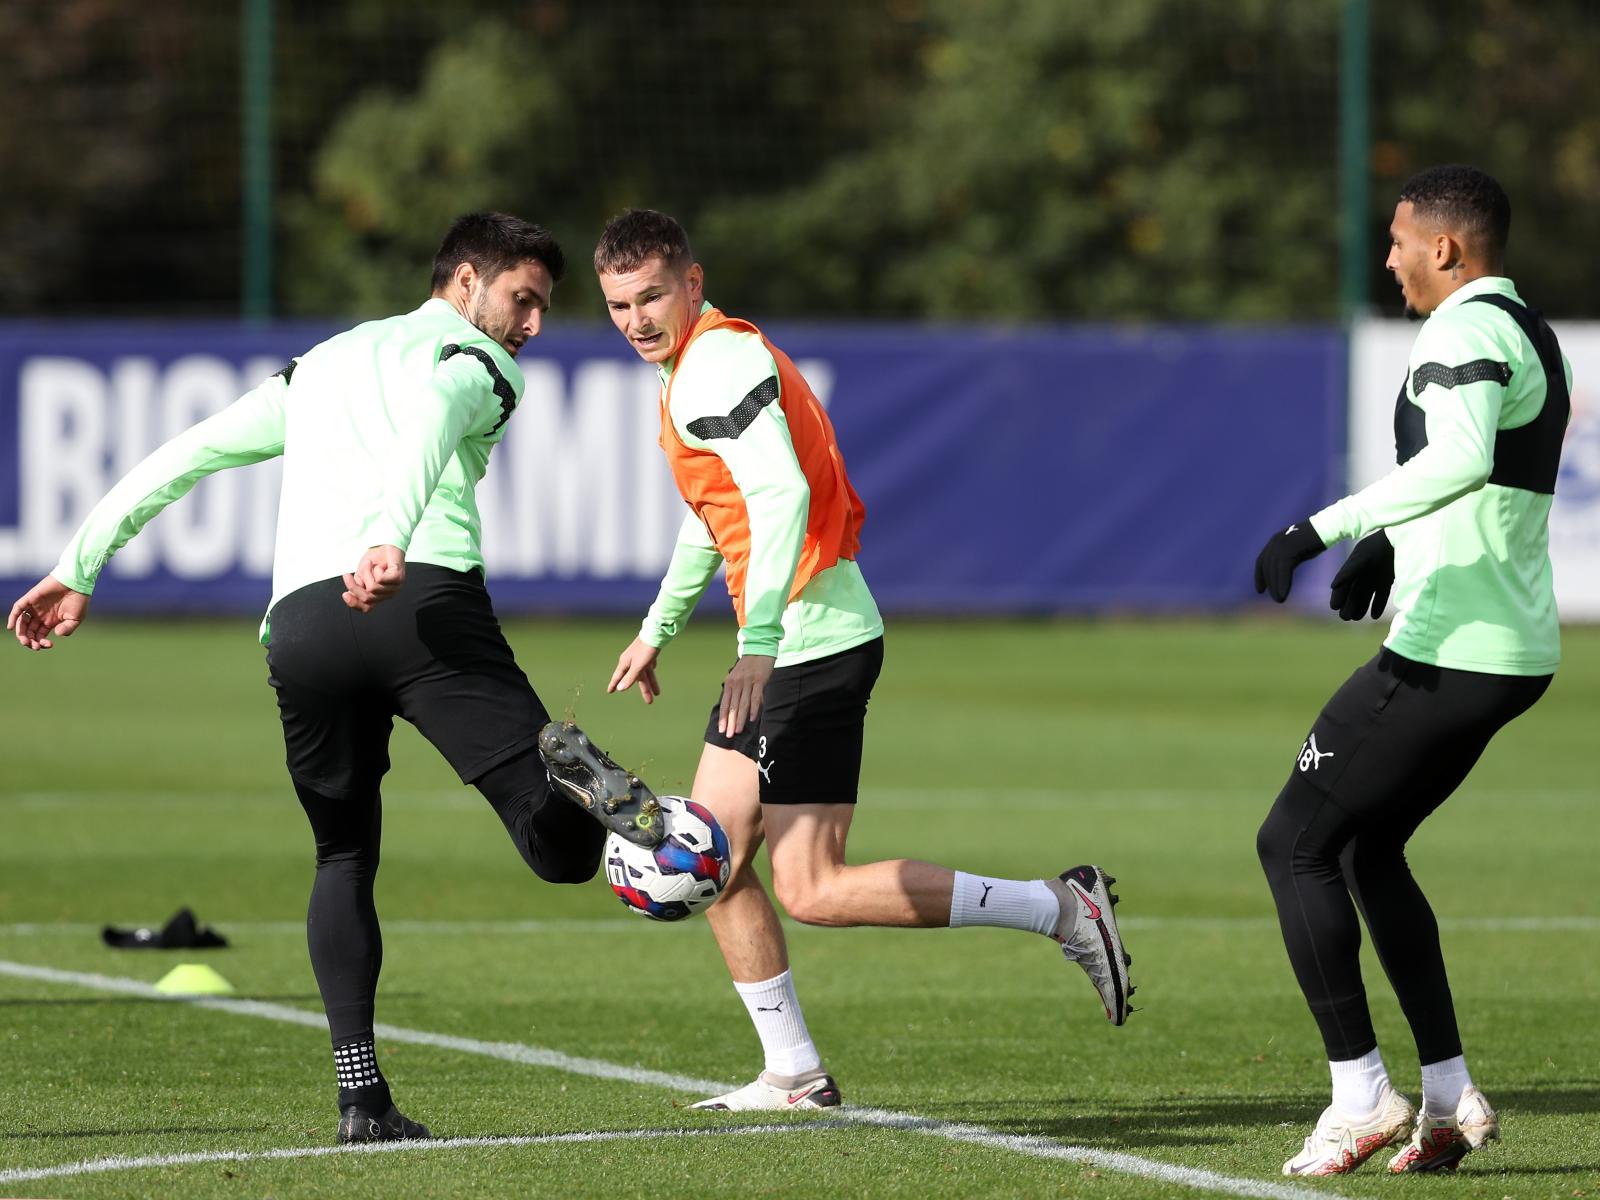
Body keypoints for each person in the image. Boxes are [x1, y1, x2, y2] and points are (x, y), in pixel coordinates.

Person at [7, 213, 609, 1144]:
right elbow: (432, 419)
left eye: (541, 307)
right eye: (522, 298)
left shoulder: (320, 364)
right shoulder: (484, 366)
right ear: (464, 283)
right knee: (561, 851)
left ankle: (360, 1100)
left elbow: (190, 451)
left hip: (302, 630)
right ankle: (576, 787)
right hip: (419, 606)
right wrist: (391, 539)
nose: (532, 323)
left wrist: (79, 564)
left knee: (341, 857)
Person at [542, 208, 1134, 1112]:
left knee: (806, 885)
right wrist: (659, 628)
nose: (635, 319)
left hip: (809, 648)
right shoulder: (692, 367)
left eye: (652, 295)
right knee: (715, 860)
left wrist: (759, 646)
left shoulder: (715, 365)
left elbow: (777, 496)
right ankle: (792, 1072)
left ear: (692, 284)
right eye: (619, 304)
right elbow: (721, 513)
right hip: (802, 641)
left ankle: (1059, 908)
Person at [1253, 165, 1568, 1176]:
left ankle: (1359, 1096)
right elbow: (1490, 467)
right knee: (1362, 850)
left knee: (1291, 842)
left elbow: (1465, 454)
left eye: (1398, 241)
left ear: (1447, 248)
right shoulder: (1525, 327)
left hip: (1451, 652)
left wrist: (1322, 526)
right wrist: (1390, 547)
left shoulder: (1465, 327)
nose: (1387, 260)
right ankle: (1444, 1095)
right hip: (1508, 648)